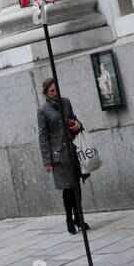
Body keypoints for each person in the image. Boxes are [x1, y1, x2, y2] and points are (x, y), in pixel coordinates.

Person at [37, 75, 90, 235]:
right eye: (52, 91)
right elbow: (43, 136)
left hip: (72, 150)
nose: (55, 93)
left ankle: (79, 217)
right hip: (58, 155)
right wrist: (47, 160)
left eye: (56, 89)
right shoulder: (43, 110)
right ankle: (69, 217)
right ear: (46, 93)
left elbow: (72, 119)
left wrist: (77, 125)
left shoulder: (66, 102)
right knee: (67, 188)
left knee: (77, 186)